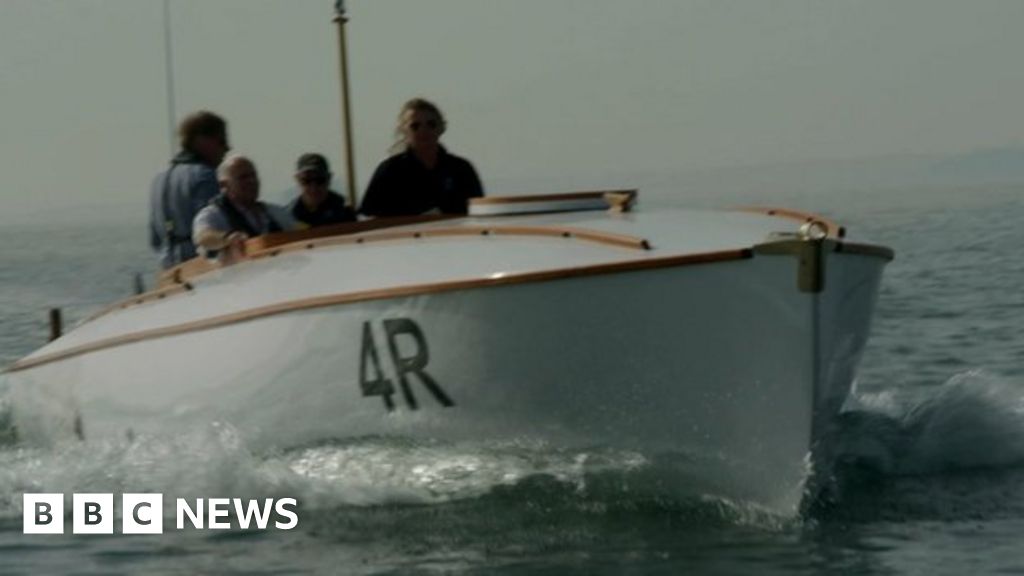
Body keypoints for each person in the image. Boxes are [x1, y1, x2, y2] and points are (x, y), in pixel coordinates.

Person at [359, 98, 483, 217]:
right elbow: (370, 218)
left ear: (441, 128)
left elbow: (480, 212)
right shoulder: (389, 172)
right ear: (403, 130)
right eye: (415, 126)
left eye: (431, 124)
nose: (424, 130)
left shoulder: (461, 169)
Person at [149, 111, 231, 269]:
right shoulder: (205, 176)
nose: (227, 148)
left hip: (169, 271)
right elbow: (212, 227)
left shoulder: (158, 180)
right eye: (221, 140)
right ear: (201, 140)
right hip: (200, 269)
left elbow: (155, 241)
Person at [193, 154, 296, 261]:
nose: (251, 181)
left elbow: (297, 235)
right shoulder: (214, 215)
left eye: (253, 176)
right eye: (243, 177)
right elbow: (203, 237)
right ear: (224, 185)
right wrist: (227, 239)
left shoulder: (276, 213)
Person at [288, 153, 356, 227]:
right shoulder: (287, 217)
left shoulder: (343, 212)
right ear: (297, 180)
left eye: (320, 180)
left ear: (329, 178)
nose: (313, 187)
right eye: (307, 180)